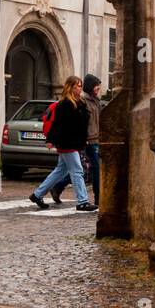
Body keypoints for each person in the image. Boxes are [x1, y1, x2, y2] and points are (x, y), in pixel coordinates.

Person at [28, 76, 96, 212]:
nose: (80, 88)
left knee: (60, 171)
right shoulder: (64, 104)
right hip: (67, 143)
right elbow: (57, 124)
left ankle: (37, 195)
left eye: (81, 86)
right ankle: (82, 201)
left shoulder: (80, 103)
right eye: (78, 86)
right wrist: (50, 140)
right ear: (70, 87)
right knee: (77, 171)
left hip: (76, 143)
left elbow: (82, 124)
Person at [49, 74, 102, 209]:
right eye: (96, 86)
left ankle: (55, 188)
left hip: (95, 139)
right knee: (85, 169)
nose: (98, 89)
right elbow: (71, 123)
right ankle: (93, 199)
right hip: (86, 140)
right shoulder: (81, 101)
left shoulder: (96, 101)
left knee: (73, 169)